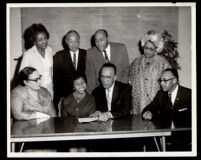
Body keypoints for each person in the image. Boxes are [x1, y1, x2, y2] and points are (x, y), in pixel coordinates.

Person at [141, 68, 191, 151]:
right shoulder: (160, 95)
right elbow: (149, 107)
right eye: (160, 80)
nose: (161, 83)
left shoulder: (188, 95)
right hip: (165, 135)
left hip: (184, 137)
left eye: (165, 80)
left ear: (174, 80)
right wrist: (146, 112)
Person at [129, 30, 171, 115]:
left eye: (151, 49)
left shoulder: (163, 63)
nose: (147, 51)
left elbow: (168, 83)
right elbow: (130, 82)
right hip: (139, 103)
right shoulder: (136, 62)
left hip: (156, 103)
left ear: (157, 49)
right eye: (146, 48)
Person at [85, 29, 130, 94]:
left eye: (101, 40)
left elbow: (126, 71)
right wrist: (94, 95)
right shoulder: (90, 53)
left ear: (107, 38)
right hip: (101, 92)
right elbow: (90, 78)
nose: (99, 43)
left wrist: (121, 89)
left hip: (120, 90)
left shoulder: (121, 48)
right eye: (96, 41)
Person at [53, 30, 87, 110]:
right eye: (70, 41)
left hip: (83, 96)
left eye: (76, 41)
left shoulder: (86, 54)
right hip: (65, 96)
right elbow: (56, 80)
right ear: (66, 41)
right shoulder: (59, 56)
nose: (74, 44)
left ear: (79, 41)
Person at [19, 23, 54, 99]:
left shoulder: (49, 50)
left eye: (45, 38)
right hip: (36, 91)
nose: (44, 41)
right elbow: (21, 75)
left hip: (49, 89)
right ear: (34, 41)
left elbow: (50, 71)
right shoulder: (28, 54)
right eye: (40, 40)